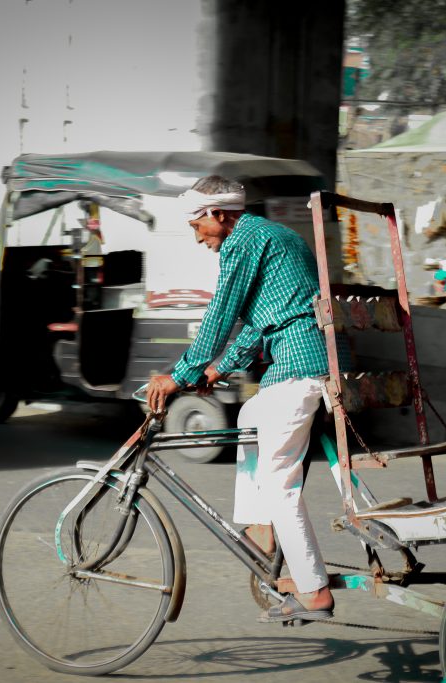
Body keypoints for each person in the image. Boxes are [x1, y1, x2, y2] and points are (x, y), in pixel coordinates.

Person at [145, 175, 333, 622]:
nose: (198, 238)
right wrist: (216, 369)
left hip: (301, 364)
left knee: (278, 482)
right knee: (249, 413)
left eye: (196, 226)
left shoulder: (243, 241)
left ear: (217, 214)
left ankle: (314, 589)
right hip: (299, 360)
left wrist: (180, 373)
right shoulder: (268, 236)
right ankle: (262, 528)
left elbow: (221, 311)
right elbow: (258, 323)